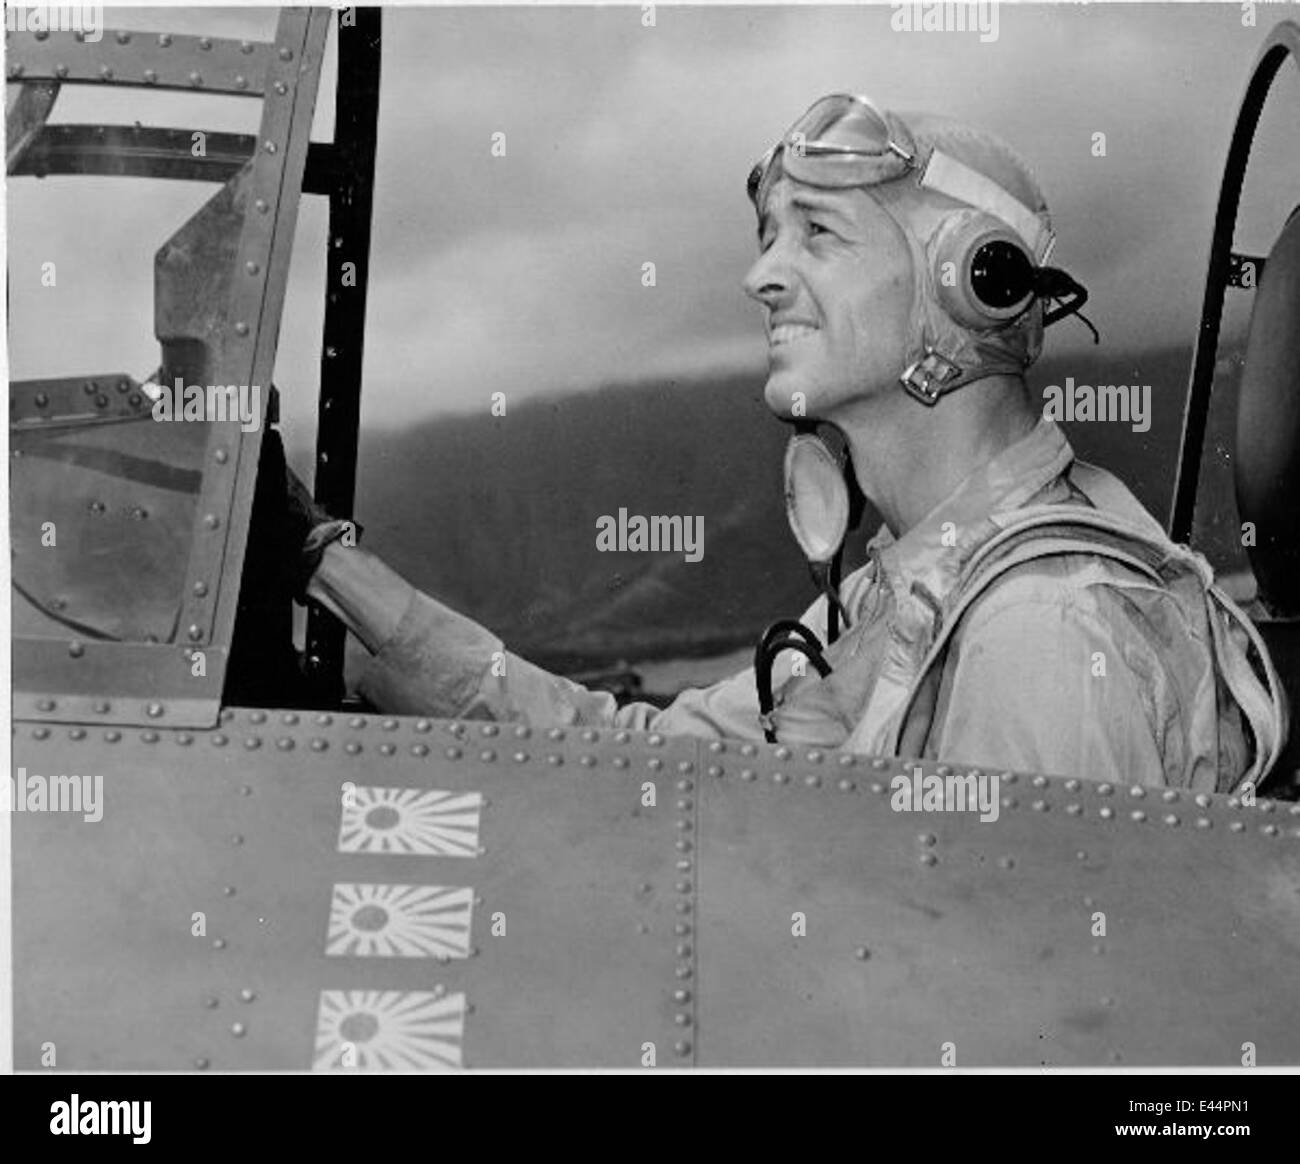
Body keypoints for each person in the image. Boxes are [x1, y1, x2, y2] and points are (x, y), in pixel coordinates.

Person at [289, 94, 1285, 792]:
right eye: (769, 236)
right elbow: (642, 760)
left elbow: (1003, 1019)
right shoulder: (912, 582)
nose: (760, 278)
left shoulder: (1045, 631)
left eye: (817, 235)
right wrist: (330, 565)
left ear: (969, 285)